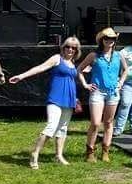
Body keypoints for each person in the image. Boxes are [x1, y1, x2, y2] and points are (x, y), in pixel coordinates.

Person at [9, 37, 81, 169]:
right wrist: (21, 76)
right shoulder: (57, 58)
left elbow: (73, 79)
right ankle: (35, 153)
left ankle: (59, 155)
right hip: (55, 98)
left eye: (74, 48)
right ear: (63, 47)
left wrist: (76, 97)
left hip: (69, 99)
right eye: (68, 47)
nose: (70, 49)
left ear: (77, 50)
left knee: (63, 128)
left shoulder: (73, 63)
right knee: (51, 126)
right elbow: (40, 68)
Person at [76, 28, 128, 163]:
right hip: (97, 91)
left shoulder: (118, 55)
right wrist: (85, 85)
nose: (109, 41)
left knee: (109, 122)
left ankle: (105, 151)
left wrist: (121, 82)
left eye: (112, 39)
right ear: (101, 40)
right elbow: (79, 69)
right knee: (95, 122)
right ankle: (90, 151)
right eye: (106, 39)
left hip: (113, 92)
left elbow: (126, 70)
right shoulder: (94, 55)